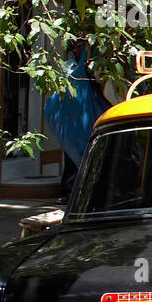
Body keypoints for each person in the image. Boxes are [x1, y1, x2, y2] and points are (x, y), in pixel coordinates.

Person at [44, 41, 111, 201]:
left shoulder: (88, 68)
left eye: (81, 45)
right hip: (77, 121)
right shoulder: (74, 69)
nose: (77, 49)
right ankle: (71, 193)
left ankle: (76, 193)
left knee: (82, 155)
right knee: (76, 155)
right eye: (76, 46)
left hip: (82, 120)